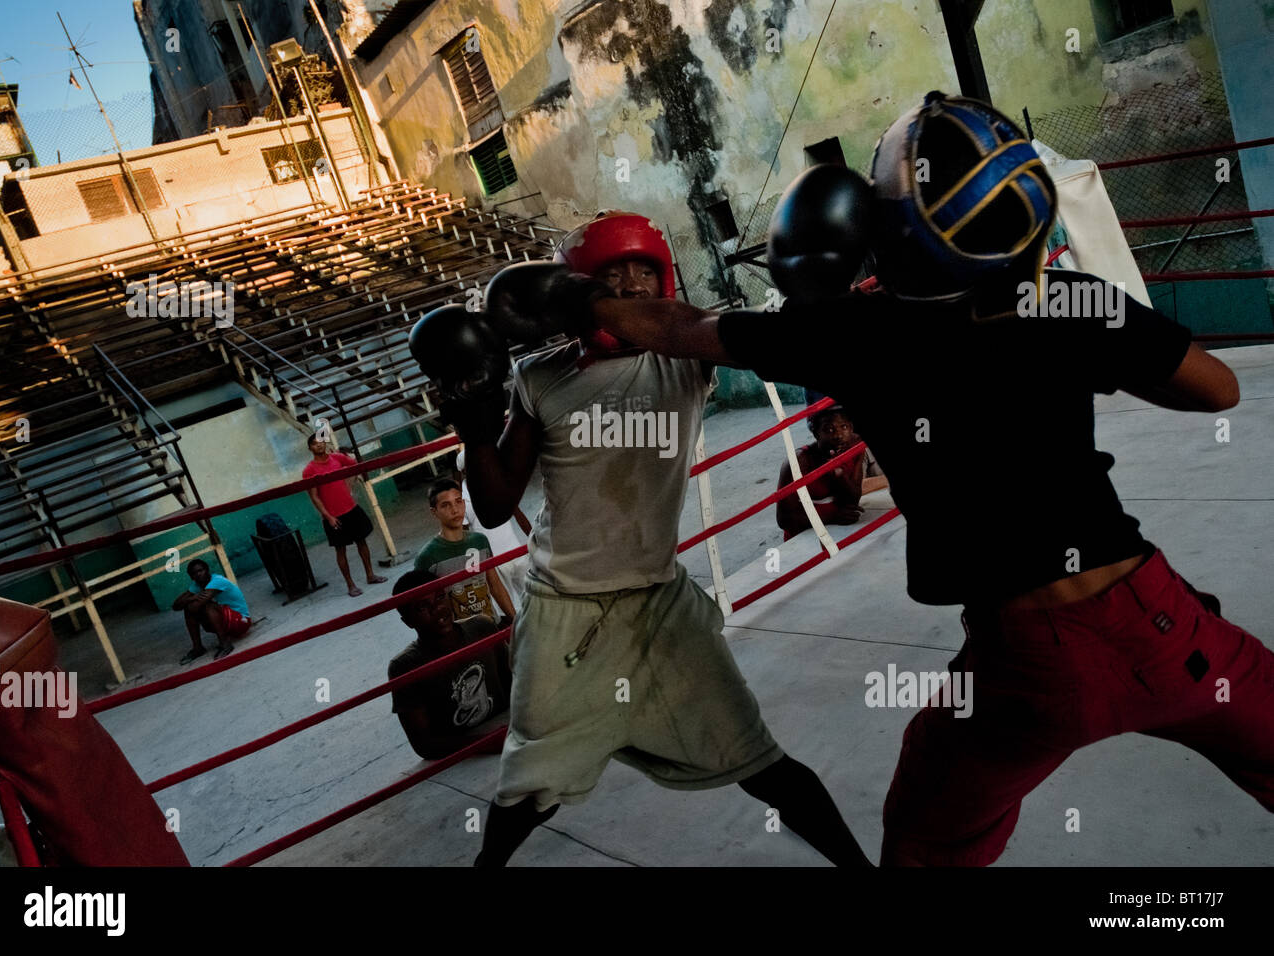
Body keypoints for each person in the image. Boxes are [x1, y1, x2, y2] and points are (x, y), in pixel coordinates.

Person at [505, 93, 1271, 867]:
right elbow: (1217, 388)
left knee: (925, 846)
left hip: (1027, 665)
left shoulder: (850, 334)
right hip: (1162, 622)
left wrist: (583, 296)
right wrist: (1090, 342)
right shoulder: (1065, 299)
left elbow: (676, 327)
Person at [413, 211, 871, 868]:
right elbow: (493, 501)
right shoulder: (542, 377)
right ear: (574, 289)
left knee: (759, 760)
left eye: (642, 273)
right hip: (564, 611)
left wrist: (586, 299)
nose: (629, 288)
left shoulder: (683, 359)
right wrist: (474, 420)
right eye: (611, 276)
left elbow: (699, 330)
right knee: (529, 789)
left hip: (660, 605)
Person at [387, 570, 511, 760]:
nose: (438, 609)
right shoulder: (405, 666)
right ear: (408, 621)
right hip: (469, 756)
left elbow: (515, 686)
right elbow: (424, 745)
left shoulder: (481, 627)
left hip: (508, 731)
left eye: (440, 597)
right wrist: (487, 743)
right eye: (422, 607)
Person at [414, 478, 517, 626]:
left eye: (458, 501)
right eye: (445, 505)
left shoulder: (480, 541)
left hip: (490, 624)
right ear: (434, 512)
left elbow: (495, 586)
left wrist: (515, 620)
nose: (455, 510)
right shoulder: (428, 556)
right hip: (459, 635)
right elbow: (423, 606)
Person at [777, 404, 887, 541]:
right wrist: (831, 517)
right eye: (829, 430)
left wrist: (839, 473)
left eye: (844, 427)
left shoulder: (855, 446)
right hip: (805, 534)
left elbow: (853, 500)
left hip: (840, 528)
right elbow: (784, 519)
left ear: (851, 428)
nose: (838, 435)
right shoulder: (799, 461)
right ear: (816, 433)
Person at [302, 433, 388, 597]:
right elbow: (314, 496)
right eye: (314, 444)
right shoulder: (309, 470)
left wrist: (350, 484)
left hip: (351, 509)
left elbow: (354, 465)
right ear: (310, 448)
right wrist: (328, 517)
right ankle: (351, 585)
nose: (318, 445)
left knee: (362, 542)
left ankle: (370, 575)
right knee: (340, 550)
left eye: (320, 442)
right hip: (333, 516)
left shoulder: (336, 458)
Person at [455, 446, 531, 611]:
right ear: (464, 471)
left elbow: (517, 512)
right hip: (494, 563)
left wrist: (533, 538)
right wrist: (474, 569)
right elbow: (465, 537)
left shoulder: (496, 486)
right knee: (507, 608)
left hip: (516, 552)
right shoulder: (462, 501)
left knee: (534, 599)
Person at [171, 558, 250, 663]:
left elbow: (194, 607)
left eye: (201, 570)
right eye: (194, 573)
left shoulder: (217, 581)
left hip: (241, 621)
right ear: (191, 577)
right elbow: (175, 606)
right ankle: (198, 648)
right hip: (226, 622)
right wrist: (191, 598)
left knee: (207, 606)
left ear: (207, 570)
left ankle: (225, 643)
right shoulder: (196, 585)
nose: (198, 574)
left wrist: (190, 601)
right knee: (190, 609)